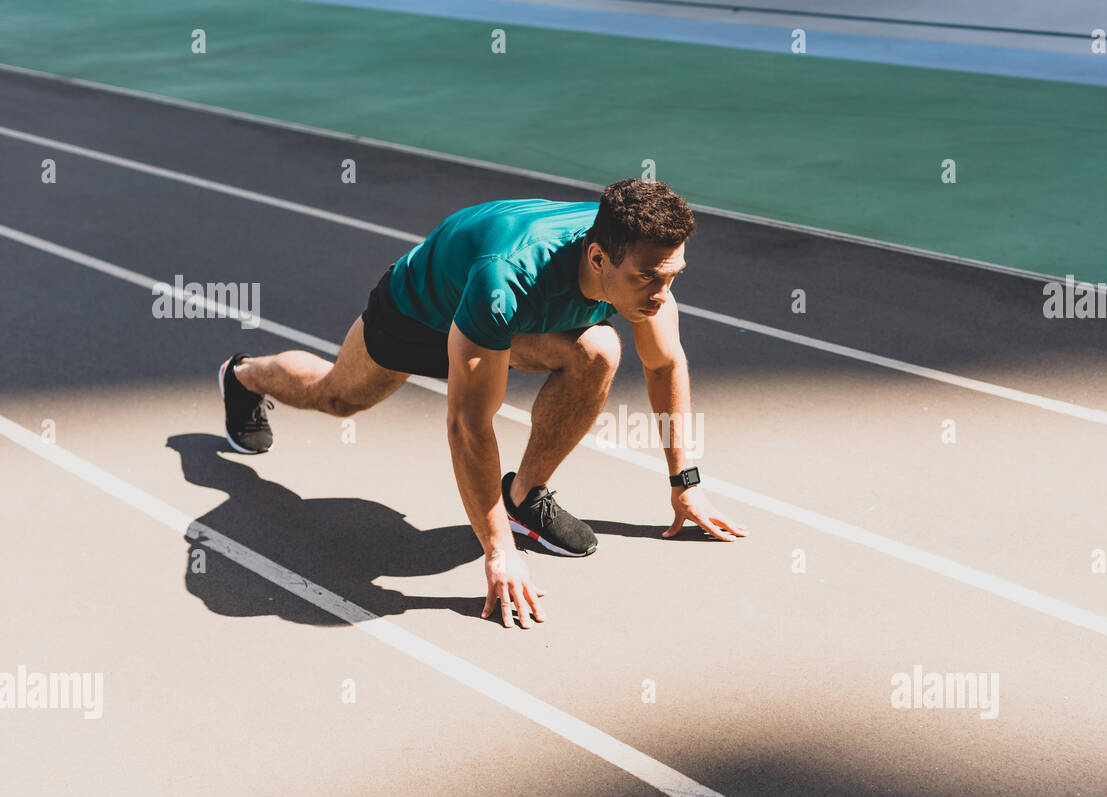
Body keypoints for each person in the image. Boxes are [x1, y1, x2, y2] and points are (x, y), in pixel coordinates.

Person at [218, 178, 746, 628]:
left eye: (673, 276)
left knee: (598, 351)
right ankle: (243, 376)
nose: (661, 293)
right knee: (336, 397)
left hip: (513, 313)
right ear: (598, 257)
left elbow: (664, 364)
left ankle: (524, 497)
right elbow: (468, 423)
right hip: (421, 313)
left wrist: (686, 483)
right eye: (649, 279)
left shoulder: (643, 257)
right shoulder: (506, 280)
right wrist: (498, 554)